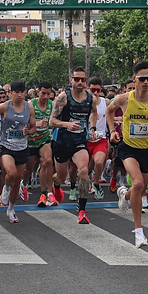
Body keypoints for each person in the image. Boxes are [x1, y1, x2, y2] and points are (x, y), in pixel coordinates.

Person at [107, 60, 148, 248]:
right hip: (128, 148)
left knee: (140, 187)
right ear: (135, 79)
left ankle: (125, 195)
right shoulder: (124, 99)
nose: (146, 82)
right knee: (137, 183)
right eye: (142, 79)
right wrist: (113, 131)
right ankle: (139, 233)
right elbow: (109, 111)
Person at [49, 66, 97, 224]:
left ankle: (82, 210)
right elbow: (52, 121)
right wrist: (66, 124)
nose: (80, 82)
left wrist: (92, 127)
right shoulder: (63, 97)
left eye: (83, 79)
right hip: (62, 141)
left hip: (79, 141)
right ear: (71, 80)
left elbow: (93, 113)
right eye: (77, 79)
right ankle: (56, 185)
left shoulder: (90, 98)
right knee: (62, 177)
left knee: (84, 170)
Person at [0, 79, 33, 224]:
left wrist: (29, 131)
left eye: (22, 92)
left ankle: (11, 208)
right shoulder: (4, 107)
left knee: (17, 181)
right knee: (11, 173)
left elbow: (33, 127)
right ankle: (6, 188)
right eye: (17, 92)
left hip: (22, 147)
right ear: (11, 93)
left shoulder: (29, 107)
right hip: (6, 145)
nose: (20, 95)